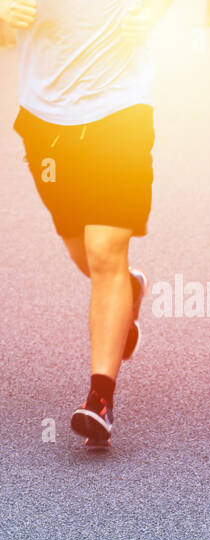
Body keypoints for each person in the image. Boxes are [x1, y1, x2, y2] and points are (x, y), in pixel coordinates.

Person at [2, 0, 171, 447]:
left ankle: (100, 397)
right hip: (46, 120)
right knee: (84, 254)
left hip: (122, 110)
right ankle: (128, 289)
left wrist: (152, 14)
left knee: (103, 254)